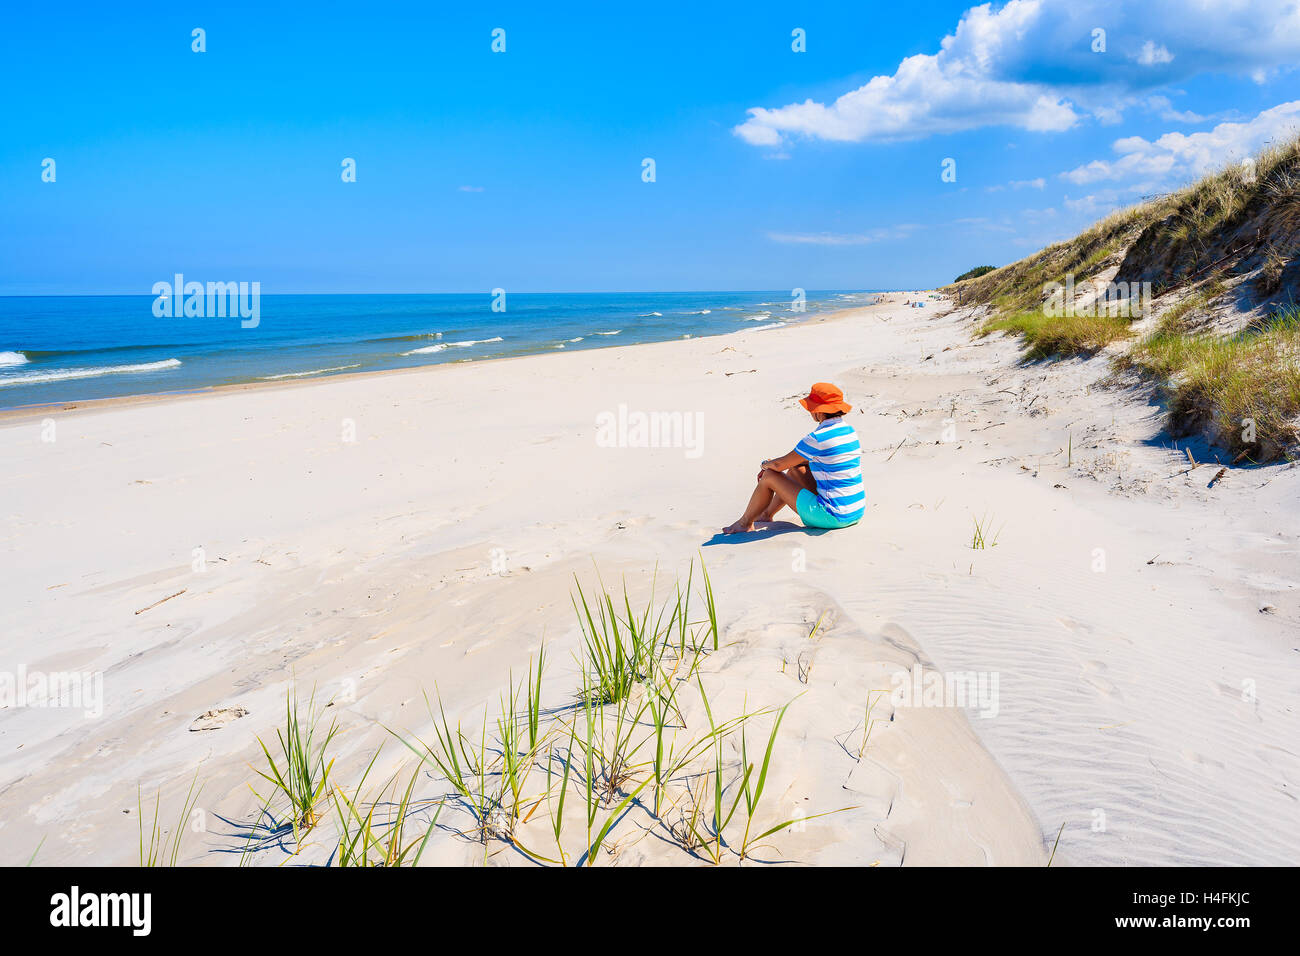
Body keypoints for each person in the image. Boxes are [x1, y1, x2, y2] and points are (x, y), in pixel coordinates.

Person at [722, 382, 865, 533]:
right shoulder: (849, 431)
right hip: (855, 512)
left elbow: (778, 466)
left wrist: (765, 465)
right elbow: (798, 462)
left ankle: (744, 523)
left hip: (832, 516)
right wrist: (775, 464)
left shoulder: (817, 438)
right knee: (795, 469)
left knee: (770, 476)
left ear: (818, 411)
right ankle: (766, 514)